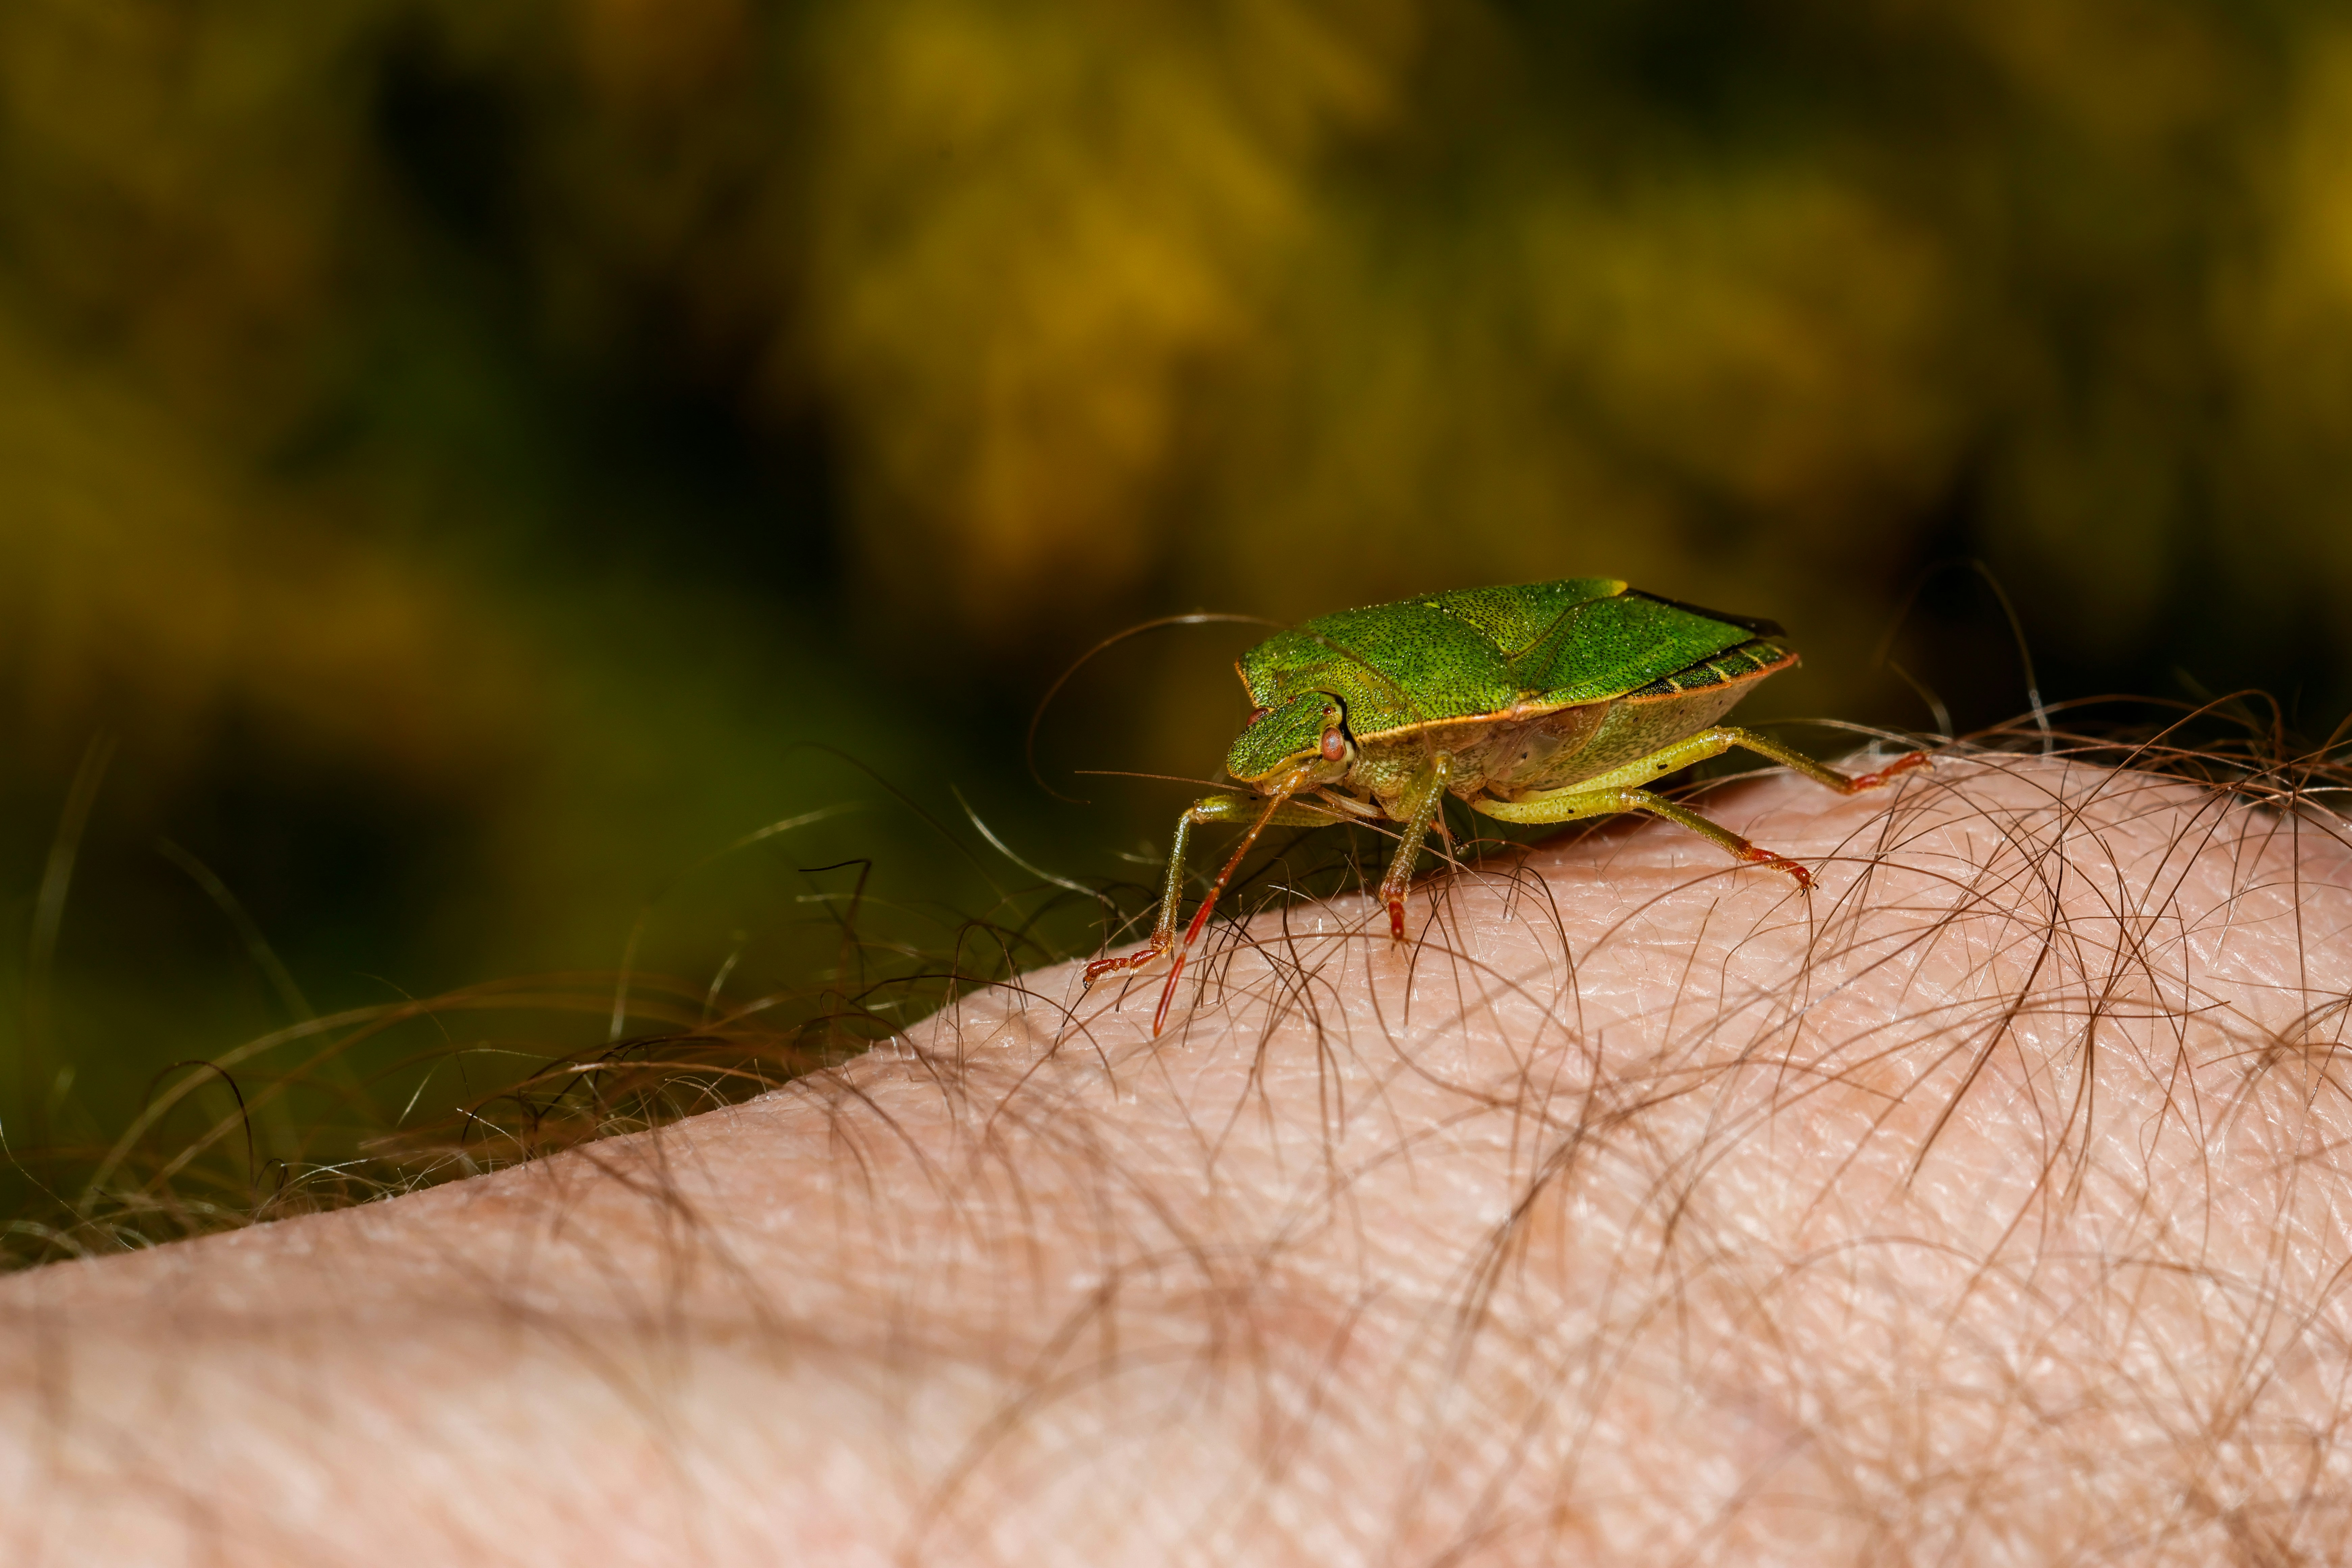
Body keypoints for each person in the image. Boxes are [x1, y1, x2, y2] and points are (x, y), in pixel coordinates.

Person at [2, 750, 2346, 1566]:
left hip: (1554, 720)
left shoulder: (1447, 764)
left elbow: (1491, 775)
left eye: (1320, 745)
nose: (1285, 768)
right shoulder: (1312, 779)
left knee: (1557, 818)